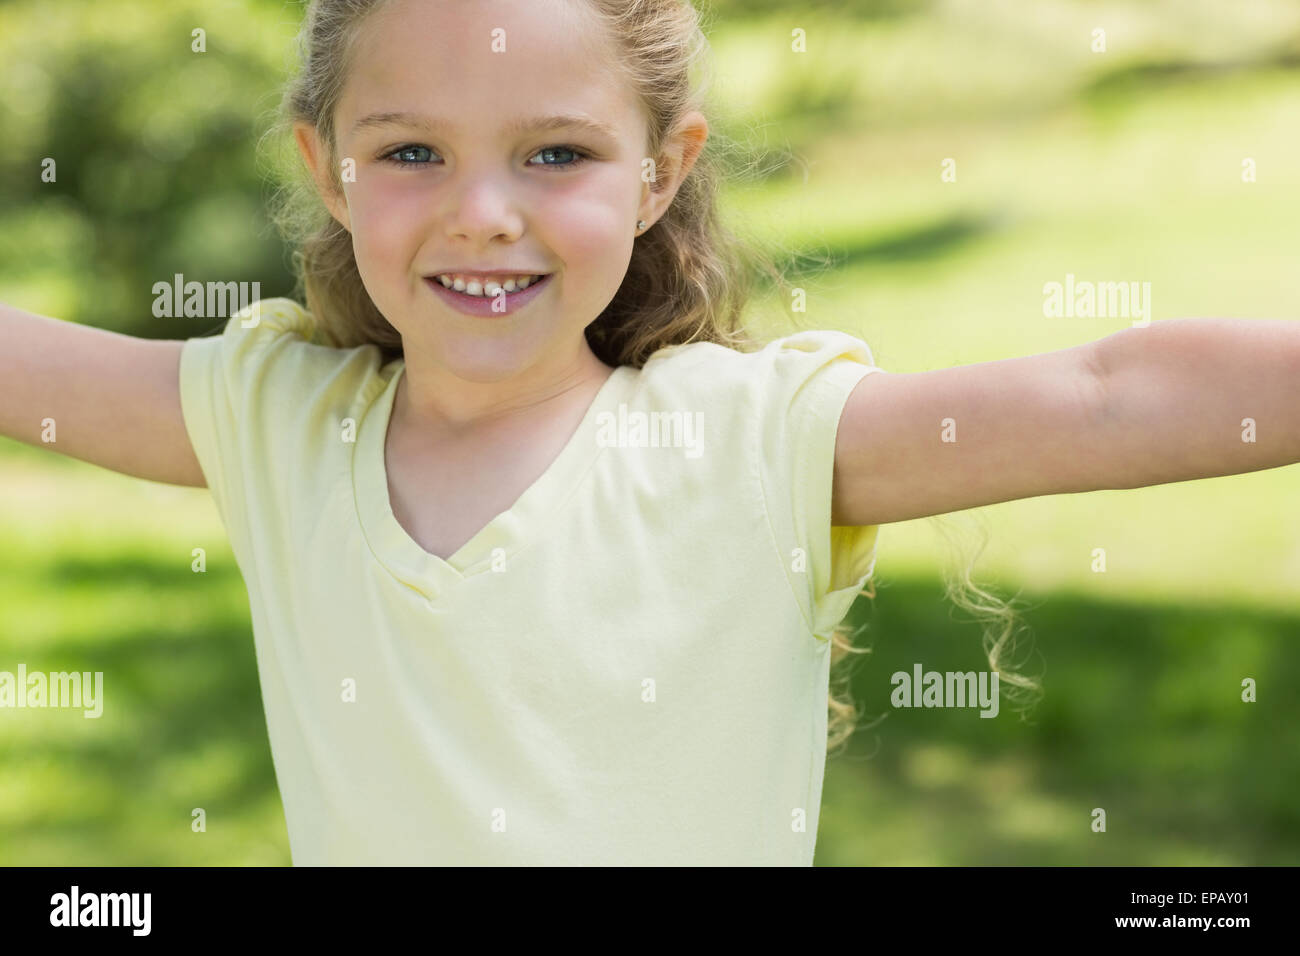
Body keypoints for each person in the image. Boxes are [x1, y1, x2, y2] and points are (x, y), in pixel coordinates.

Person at [2, 0, 1296, 865]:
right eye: (411, 155)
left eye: (556, 155)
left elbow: (1109, 392)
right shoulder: (276, 421)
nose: (483, 215)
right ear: (325, 164)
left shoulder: (749, 441)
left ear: (662, 171)